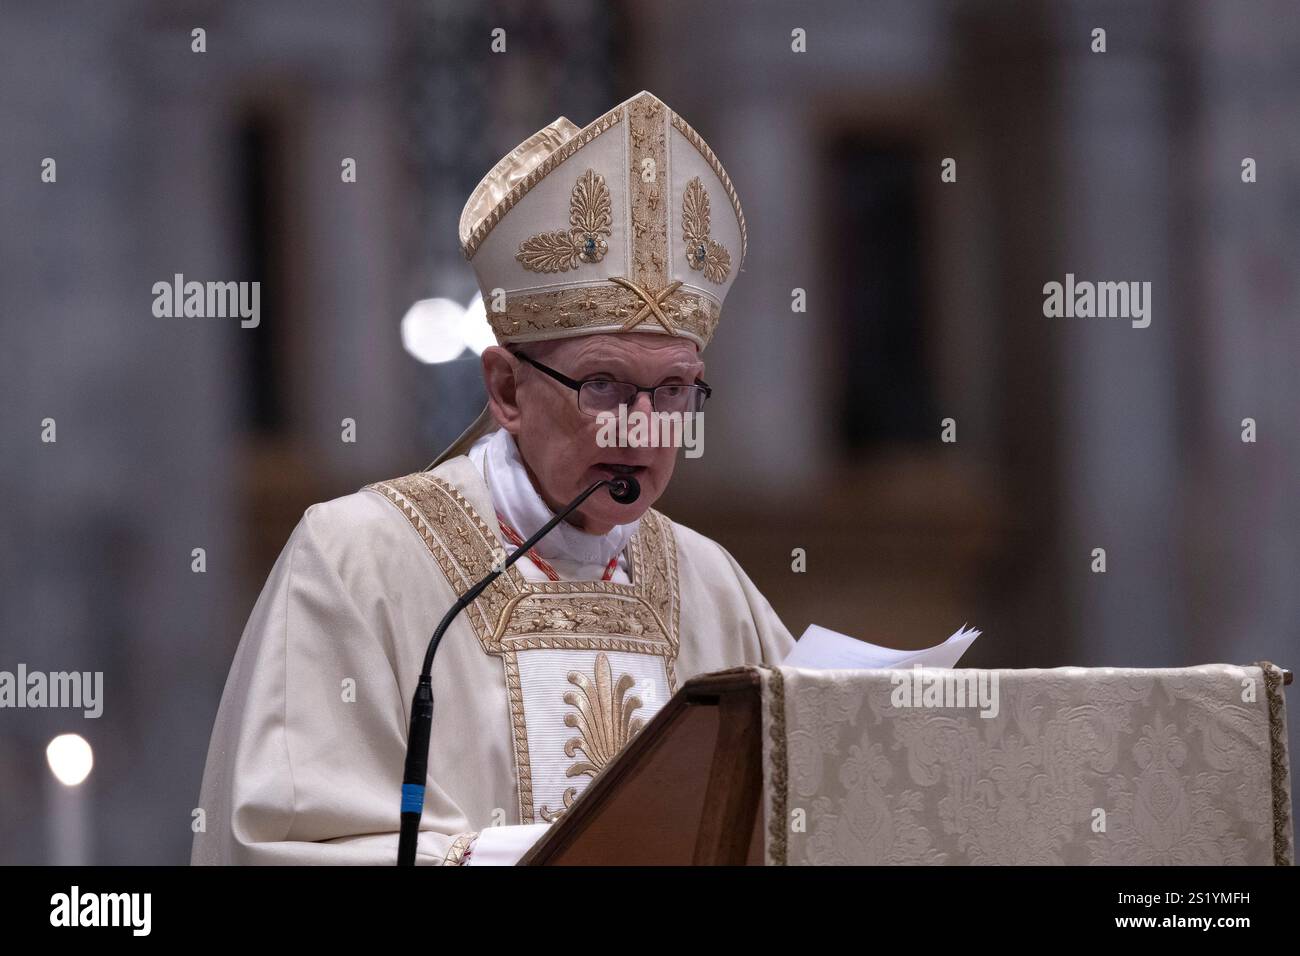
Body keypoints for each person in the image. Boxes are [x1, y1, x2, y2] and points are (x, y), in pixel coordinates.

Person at [192, 91, 794, 866]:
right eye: (605, 383)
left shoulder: (712, 585)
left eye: (673, 390)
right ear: (507, 389)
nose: (642, 425)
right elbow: (273, 843)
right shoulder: (356, 560)